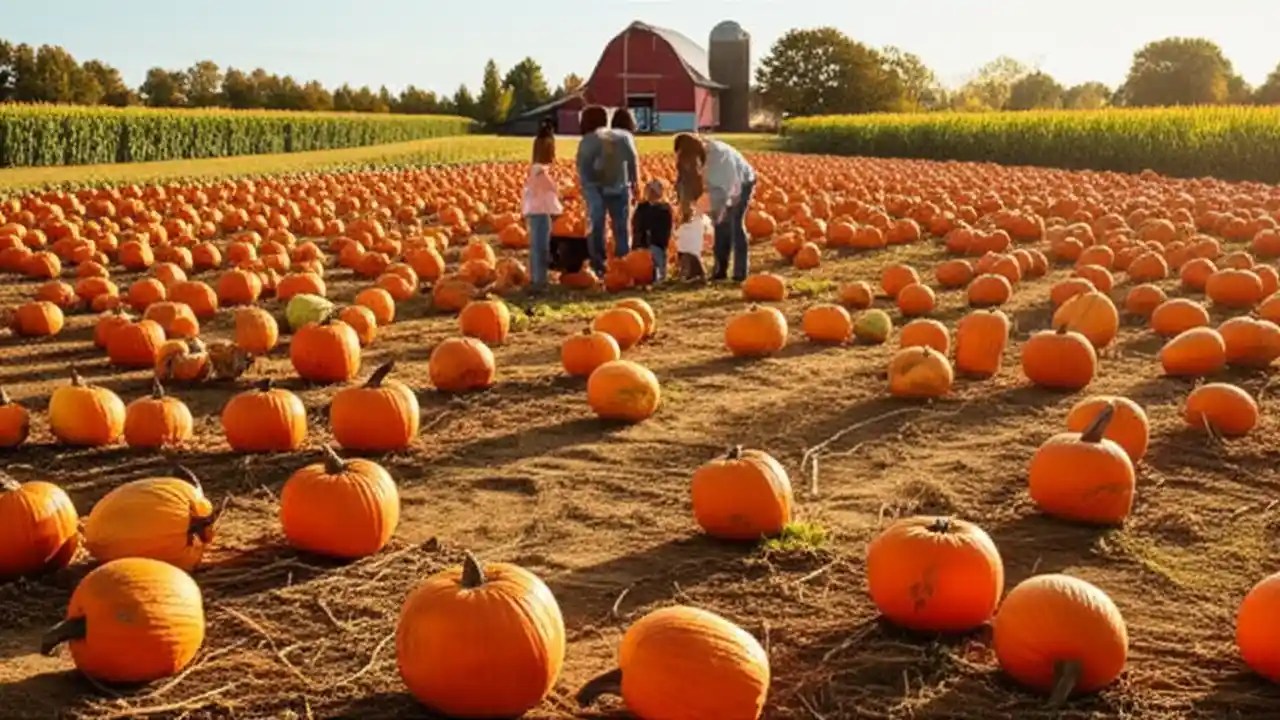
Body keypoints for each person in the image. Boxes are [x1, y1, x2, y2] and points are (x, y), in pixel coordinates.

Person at [673, 132, 756, 282]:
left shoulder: (719, 157)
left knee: (734, 222)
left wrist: (715, 209)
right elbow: (684, 183)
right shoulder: (687, 162)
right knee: (720, 225)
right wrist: (685, 208)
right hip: (717, 186)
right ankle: (720, 270)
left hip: (740, 183)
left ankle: (740, 272)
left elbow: (728, 190)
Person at [575, 105, 639, 275]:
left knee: (596, 225)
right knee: (622, 227)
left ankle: (598, 263)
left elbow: (583, 170)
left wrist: (587, 191)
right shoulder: (625, 137)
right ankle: (623, 262)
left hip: (595, 188)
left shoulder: (587, 141)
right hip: (620, 186)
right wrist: (635, 185)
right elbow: (633, 163)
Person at [522, 118, 562, 291]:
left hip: (534, 211)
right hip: (540, 212)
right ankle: (539, 281)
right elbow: (551, 189)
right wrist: (562, 190)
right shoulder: (540, 171)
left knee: (536, 247)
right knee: (541, 248)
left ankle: (536, 278)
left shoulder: (535, 168)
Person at [631, 179, 673, 282]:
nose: (652, 194)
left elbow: (664, 232)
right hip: (641, 246)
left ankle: (657, 275)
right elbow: (637, 227)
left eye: (654, 191)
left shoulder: (664, 210)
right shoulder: (642, 208)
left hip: (656, 246)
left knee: (655, 256)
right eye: (650, 191)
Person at [673, 203, 710, 283]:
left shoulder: (682, 228)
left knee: (685, 260)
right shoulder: (699, 223)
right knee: (694, 260)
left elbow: (675, 235)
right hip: (696, 252)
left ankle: (687, 275)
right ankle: (697, 275)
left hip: (685, 252)